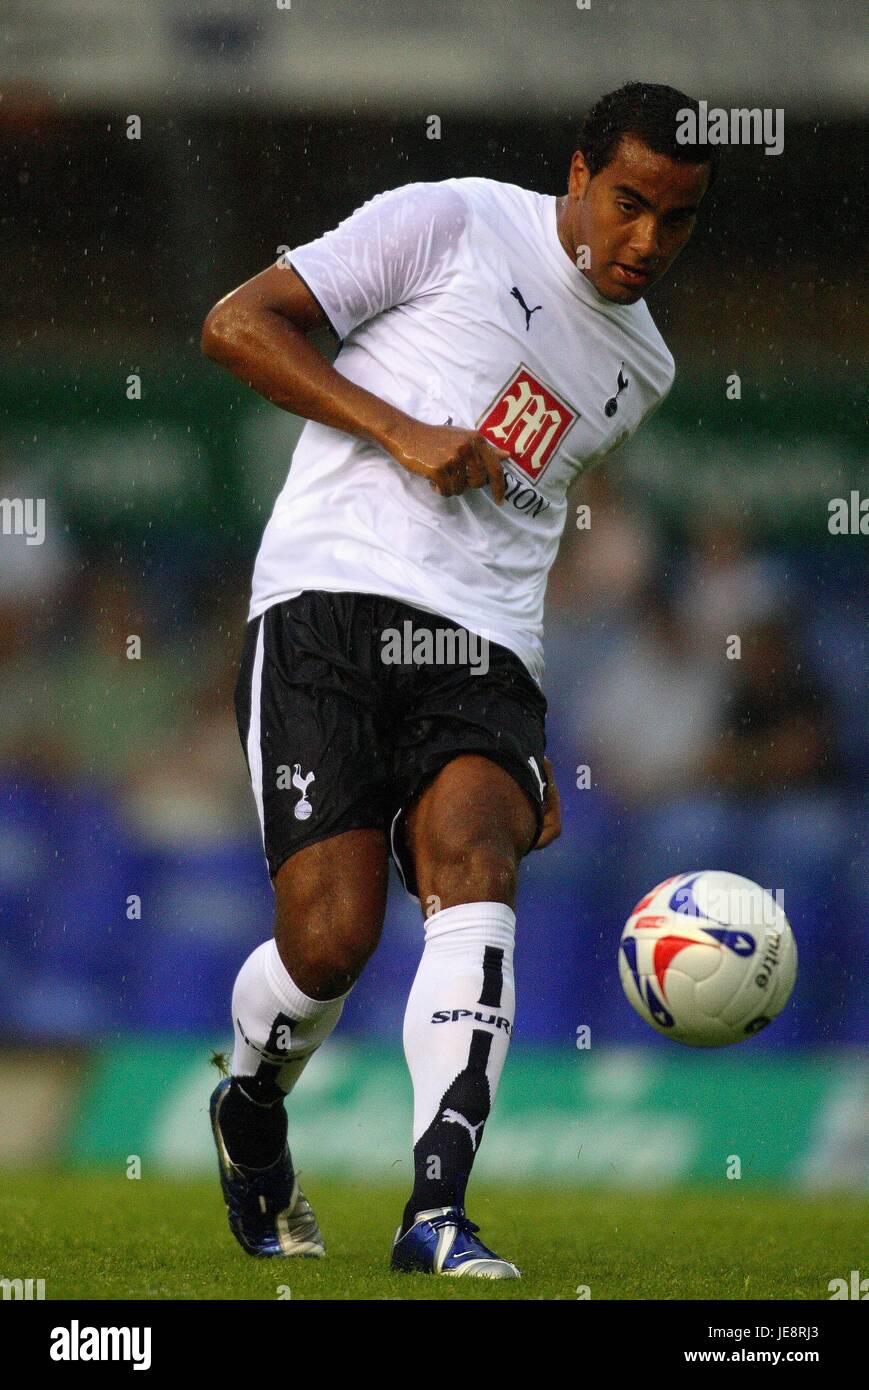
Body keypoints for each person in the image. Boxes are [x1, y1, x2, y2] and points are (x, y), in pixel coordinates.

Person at [201, 82, 713, 1278]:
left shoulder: (646, 367)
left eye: (676, 221)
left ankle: (435, 1214)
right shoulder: (450, 219)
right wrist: (397, 428)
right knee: (329, 942)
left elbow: (525, 531)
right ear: (577, 173)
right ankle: (250, 1106)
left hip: (480, 644)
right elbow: (237, 324)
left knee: (476, 870)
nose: (645, 242)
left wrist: (528, 722)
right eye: (628, 204)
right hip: (329, 596)